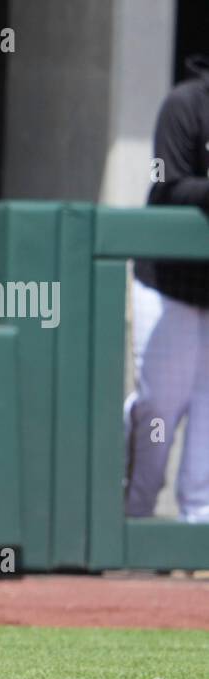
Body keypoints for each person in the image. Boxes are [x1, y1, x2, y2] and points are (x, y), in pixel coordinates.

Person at [126, 54, 209, 522]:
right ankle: (131, 519)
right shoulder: (186, 104)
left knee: (207, 431)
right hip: (170, 285)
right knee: (160, 411)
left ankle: (199, 527)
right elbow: (170, 186)